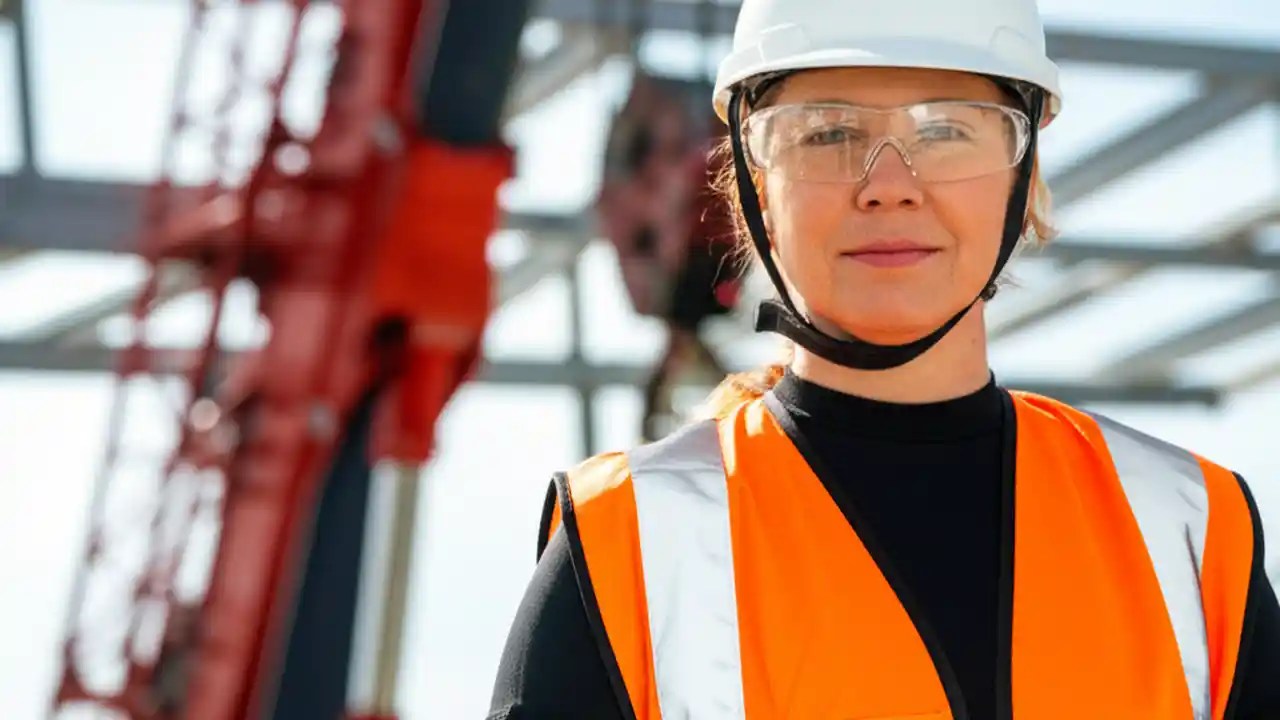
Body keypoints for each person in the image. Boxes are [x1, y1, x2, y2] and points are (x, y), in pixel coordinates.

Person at [488, 0, 1280, 717]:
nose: (889, 186)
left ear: (1023, 176)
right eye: (827, 133)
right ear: (756, 187)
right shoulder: (627, 547)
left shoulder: (1189, 532)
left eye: (946, 130)